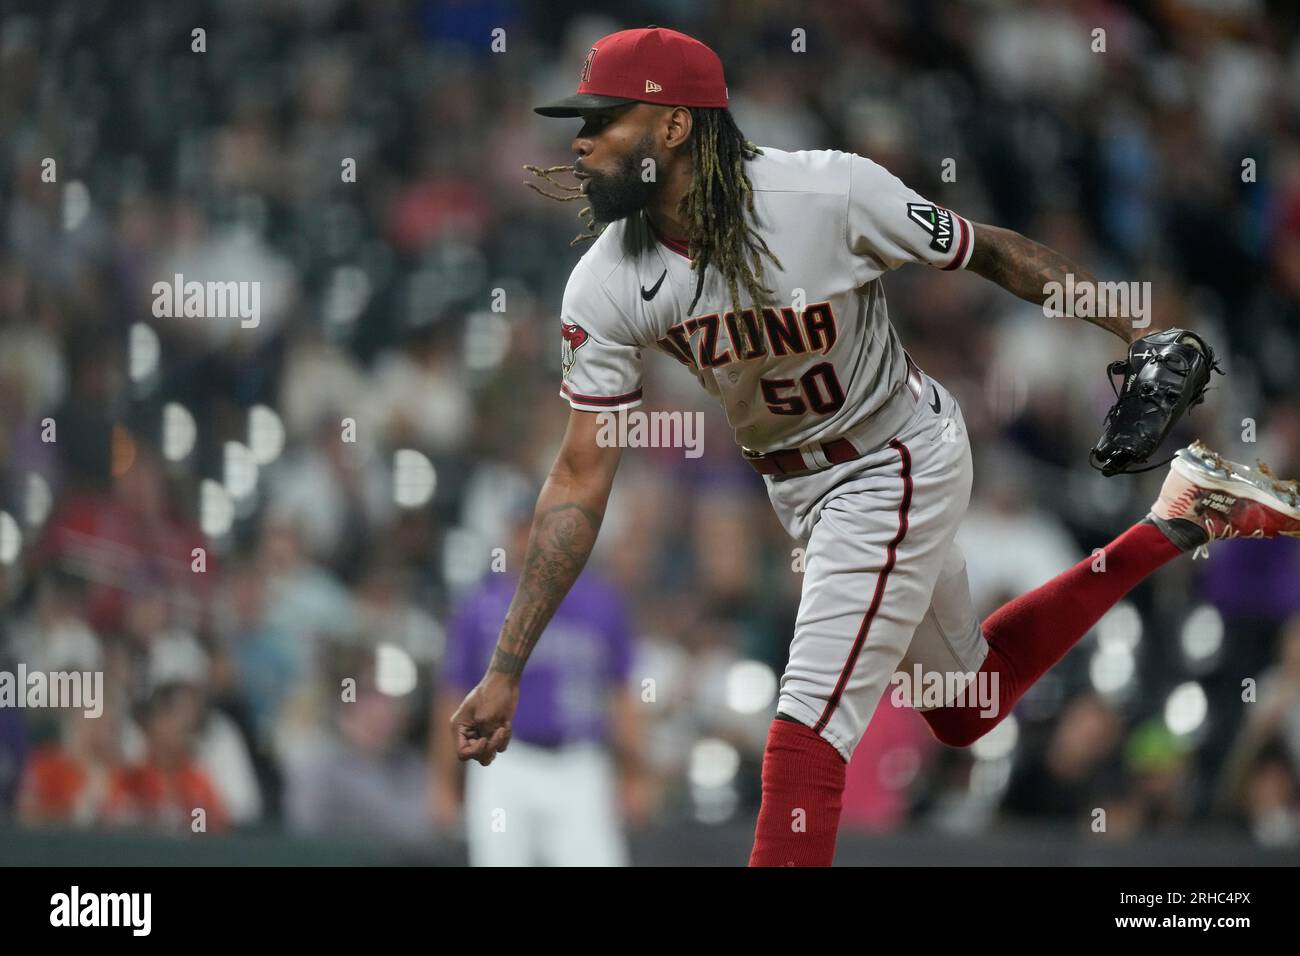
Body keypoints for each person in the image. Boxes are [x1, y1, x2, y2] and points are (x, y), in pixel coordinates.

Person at [449, 26, 1300, 866]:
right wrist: (506, 665)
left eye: (605, 118)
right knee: (965, 705)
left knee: (806, 730)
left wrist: (1138, 327)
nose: (584, 140)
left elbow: (994, 255)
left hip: (895, 456)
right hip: (800, 491)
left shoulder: (826, 193)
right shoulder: (606, 279)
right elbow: (579, 475)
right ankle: (1182, 517)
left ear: (674, 125)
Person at [434, 499, 645, 866]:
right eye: (520, 527)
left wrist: (634, 772)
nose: (527, 537)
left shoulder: (601, 601)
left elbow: (621, 693)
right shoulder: (479, 605)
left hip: (581, 764)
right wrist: (443, 782)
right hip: (504, 763)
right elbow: (452, 697)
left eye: (538, 526)